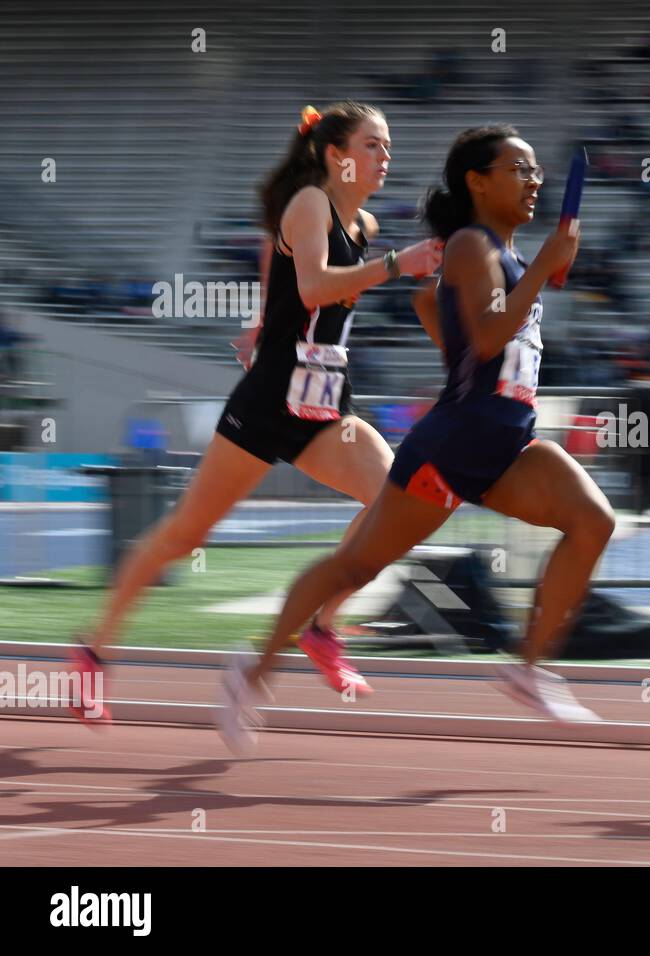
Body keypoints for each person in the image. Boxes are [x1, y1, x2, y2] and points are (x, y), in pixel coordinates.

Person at [220, 125, 615, 749]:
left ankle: (527, 669)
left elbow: (431, 304)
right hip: (453, 448)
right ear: (477, 182)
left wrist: (495, 305)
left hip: (510, 444)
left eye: (537, 170)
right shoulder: (472, 244)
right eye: (519, 168)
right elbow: (489, 335)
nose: (534, 180)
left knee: (593, 521)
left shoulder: (501, 255)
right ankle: (253, 671)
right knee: (357, 564)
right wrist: (545, 265)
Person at [72, 101, 440, 725]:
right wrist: (396, 266)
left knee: (400, 503)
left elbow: (282, 263)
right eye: (373, 144)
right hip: (270, 403)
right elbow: (314, 285)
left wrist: (263, 320)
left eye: (387, 146)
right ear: (336, 155)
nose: (386, 156)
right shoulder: (310, 203)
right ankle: (93, 650)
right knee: (185, 536)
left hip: (325, 403)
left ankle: (321, 626)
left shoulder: (364, 224)